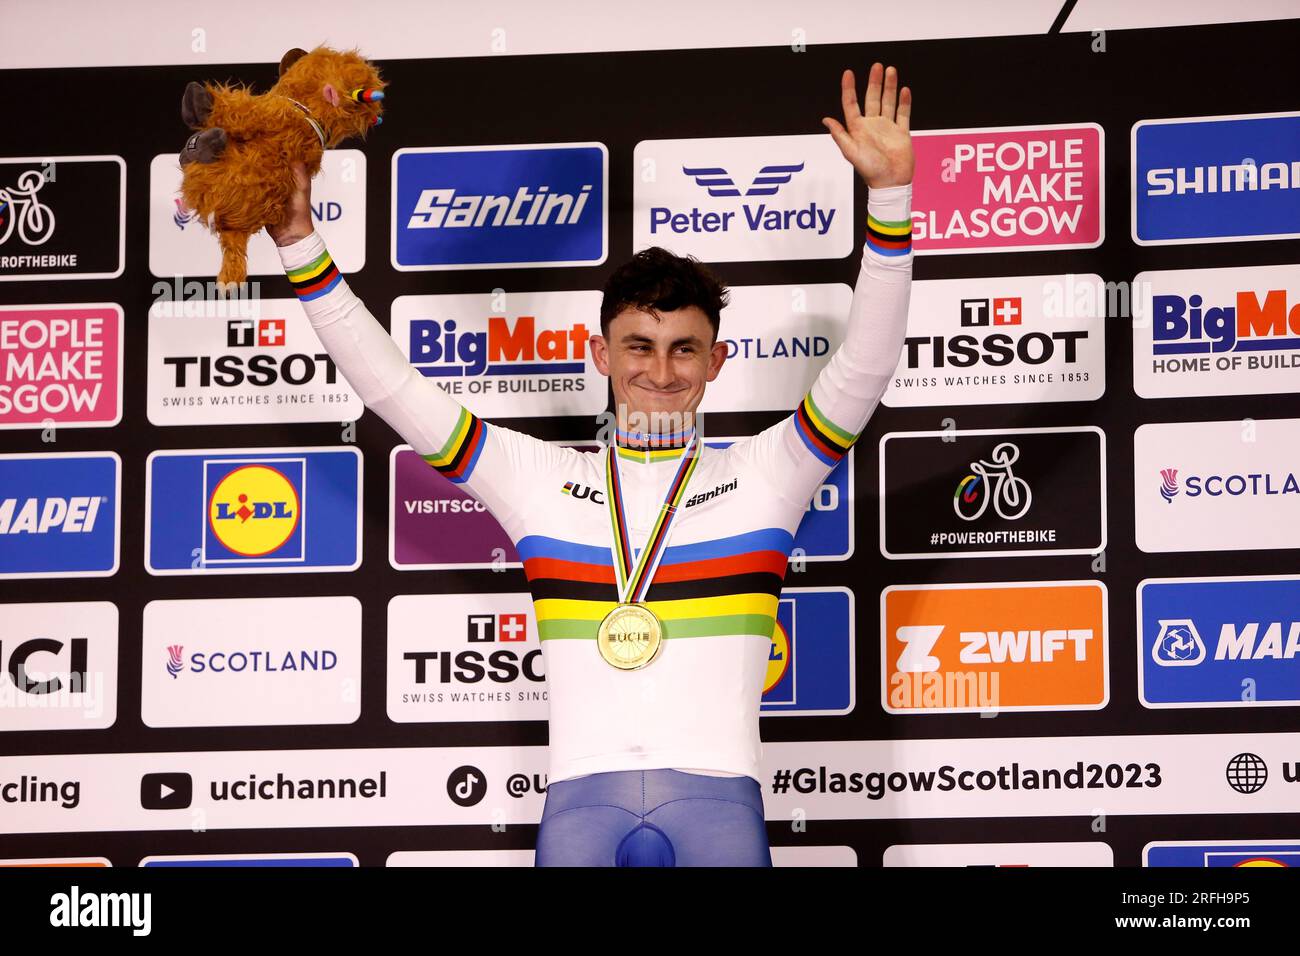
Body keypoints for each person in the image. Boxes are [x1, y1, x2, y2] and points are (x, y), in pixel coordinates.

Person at [266, 63, 915, 866]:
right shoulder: (532, 476)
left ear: (716, 363)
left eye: (686, 350)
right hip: (580, 803)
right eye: (639, 346)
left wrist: (889, 199)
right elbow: (392, 387)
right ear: (601, 353)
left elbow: (866, 368)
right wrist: (299, 243)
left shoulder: (769, 474)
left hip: (721, 803)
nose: (661, 371)